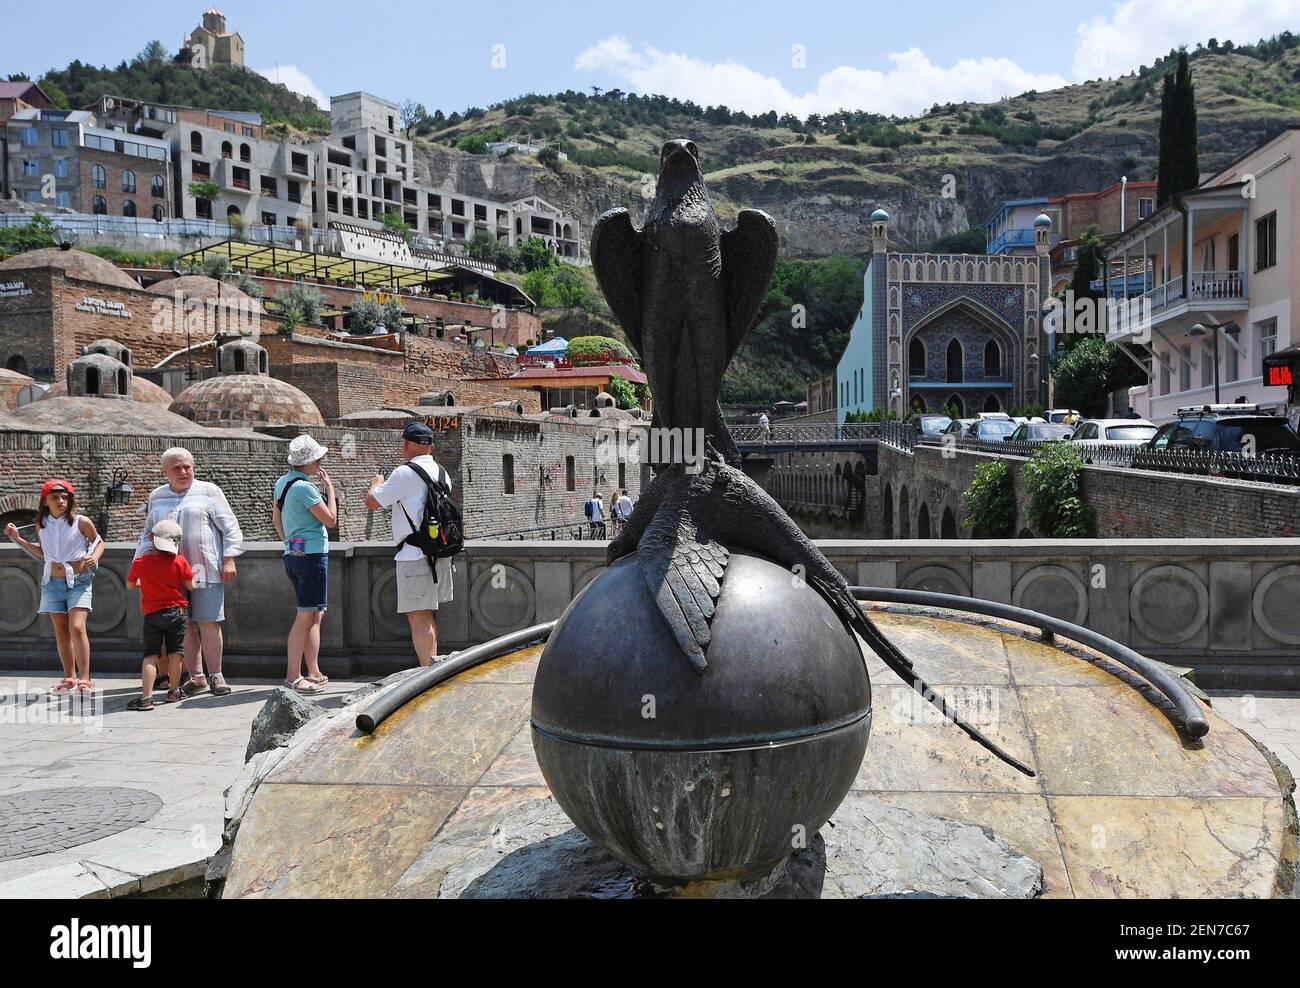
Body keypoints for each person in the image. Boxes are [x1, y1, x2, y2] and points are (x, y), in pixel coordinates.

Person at [135, 448, 243, 699]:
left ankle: (216, 675)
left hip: (205, 568)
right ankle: (197, 677)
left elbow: (230, 526)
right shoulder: (157, 496)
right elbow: (147, 534)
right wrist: (140, 567)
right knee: (185, 626)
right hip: (169, 575)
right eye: (177, 468)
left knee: (209, 622)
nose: (184, 472)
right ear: (165, 472)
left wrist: (229, 558)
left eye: (187, 467)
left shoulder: (209, 491)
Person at [364, 422, 455, 666]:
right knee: (427, 614)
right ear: (432, 447)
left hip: (414, 555)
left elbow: (372, 502)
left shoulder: (404, 473)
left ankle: (427, 675)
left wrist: (375, 484)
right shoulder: (442, 473)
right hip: (440, 552)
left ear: (405, 444)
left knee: (418, 617)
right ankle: (433, 669)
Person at [5, 479, 104, 695]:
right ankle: (70, 677)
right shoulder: (41, 524)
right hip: (52, 582)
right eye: (55, 497)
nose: (61, 501)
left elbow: (99, 541)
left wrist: (93, 558)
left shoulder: (81, 521)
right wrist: (19, 539)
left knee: (77, 627)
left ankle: (85, 678)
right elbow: (44, 554)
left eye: (65, 497)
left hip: (78, 581)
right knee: (61, 632)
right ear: (45, 501)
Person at [273, 435, 336, 695]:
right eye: (318, 458)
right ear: (311, 461)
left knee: (314, 614)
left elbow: (277, 519)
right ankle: (293, 676)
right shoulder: (306, 488)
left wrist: (289, 542)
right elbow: (330, 520)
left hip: (294, 553)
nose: (321, 462)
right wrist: (330, 490)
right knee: (306, 616)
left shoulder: (283, 482)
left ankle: (314, 670)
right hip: (312, 556)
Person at [126, 519, 194, 711]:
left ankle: (146, 698)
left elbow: (131, 584)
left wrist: (147, 584)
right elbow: (191, 586)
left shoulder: (141, 562)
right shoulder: (180, 561)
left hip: (152, 613)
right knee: (175, 653)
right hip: (177, 612)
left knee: (150, 655)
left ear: (151, 537)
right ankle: (173, 692)